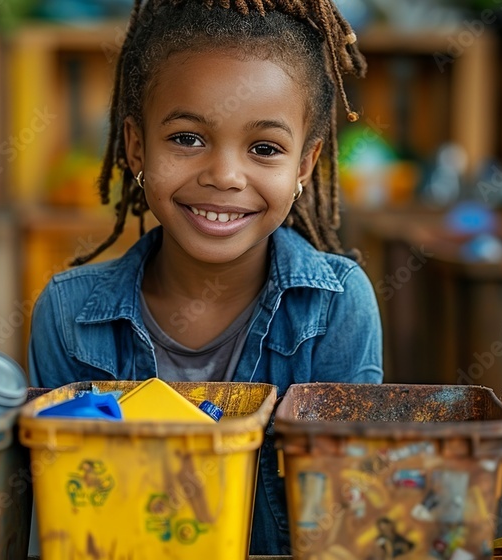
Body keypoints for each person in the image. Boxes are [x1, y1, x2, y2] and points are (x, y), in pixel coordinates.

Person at [27, 0, 383, 554]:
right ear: (136, 144)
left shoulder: (336, 307)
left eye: (264, 148)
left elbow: (344, 525)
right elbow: (68, 520)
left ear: (305, 167)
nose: (224, 175)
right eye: (188, 138)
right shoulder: (68, 317)